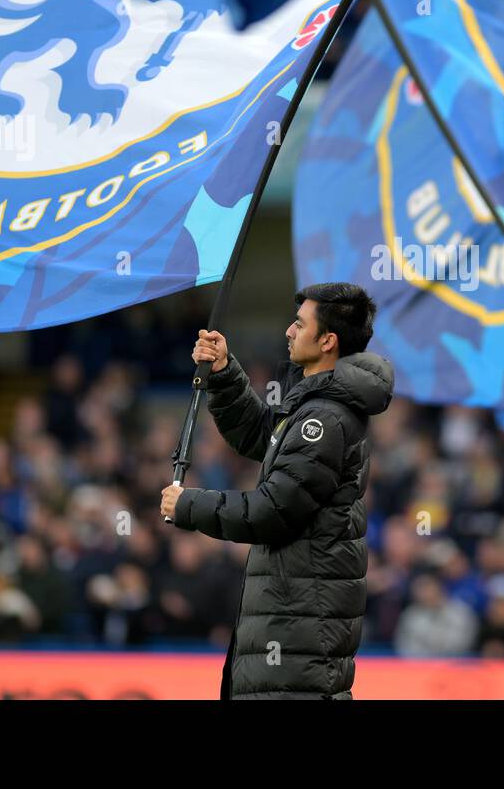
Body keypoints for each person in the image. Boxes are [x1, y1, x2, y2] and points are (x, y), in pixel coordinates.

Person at [160, 283, 393, 699]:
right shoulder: (316, 406)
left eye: (299, 324)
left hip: (296, 645)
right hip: (293, 638)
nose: (288, 331)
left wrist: (190, 504)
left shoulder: (323, 419)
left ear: (327, 340)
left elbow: (271, 512)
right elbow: (259, 436)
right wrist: (225, 372)